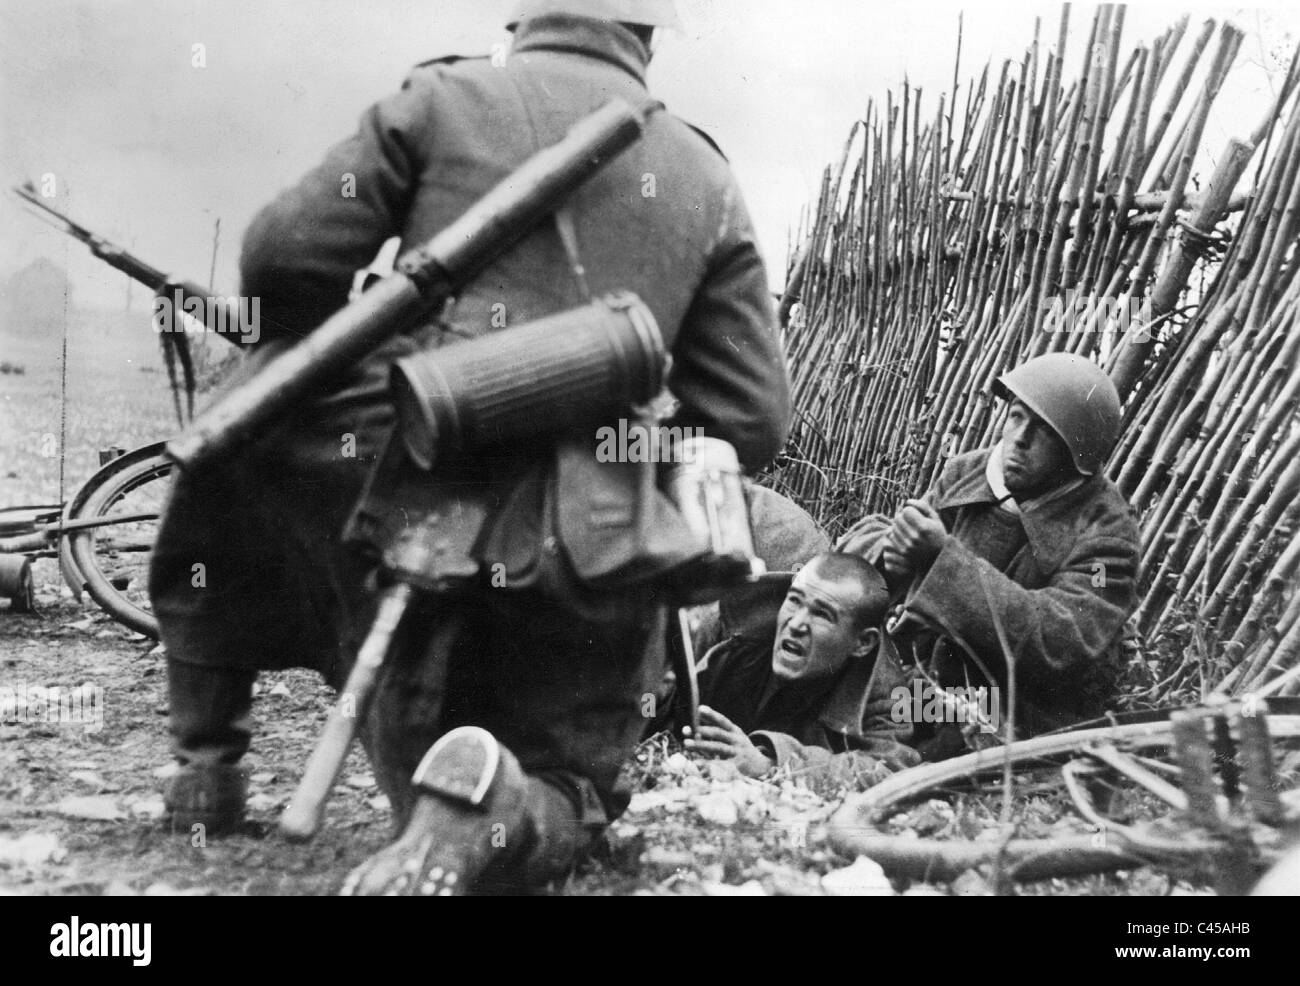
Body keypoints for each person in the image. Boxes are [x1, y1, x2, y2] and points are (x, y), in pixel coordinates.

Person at [149, 0, 792, 896]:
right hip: (584, 525)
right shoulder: (701, 172)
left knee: (255, 395)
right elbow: (753, 416)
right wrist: (597, 414)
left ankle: (207, 762)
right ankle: (505, 811)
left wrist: (406, 349)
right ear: (650, 37)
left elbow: (281, 261)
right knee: (572, 785)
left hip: (398, 472)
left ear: (524, 17)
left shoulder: (443, 99)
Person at [837, 353, 1141, 758]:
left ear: (1077, 454)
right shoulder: (967, 474)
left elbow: (1060, 636)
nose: (1020, 439)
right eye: (1016, 417)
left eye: (1044, 432)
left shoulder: (1107, 537)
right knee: (820, 689)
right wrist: (894, 555)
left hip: (1013, 710)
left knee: (896, 739)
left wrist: (940, 561)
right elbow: (897, 556)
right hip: (922, 677)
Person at [682, 552, 921, 786]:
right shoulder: (736, 643)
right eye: (794, 600)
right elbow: (663, 708)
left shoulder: (882, 691)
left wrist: (771, 764)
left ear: (863, 643)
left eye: (822, 614)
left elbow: (893, 769)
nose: (795, 624)